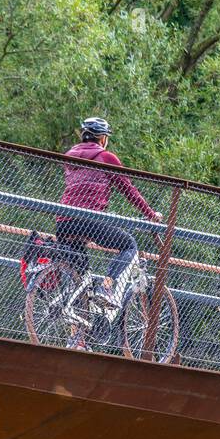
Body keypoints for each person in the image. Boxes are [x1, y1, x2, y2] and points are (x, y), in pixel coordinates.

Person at [55, 116, 162, 314]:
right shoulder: (106, 157)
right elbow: (129, 190)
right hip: (89, 221)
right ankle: (107, 288)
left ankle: (77, 336)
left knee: (82, 283)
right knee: (129, 245)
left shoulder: (69, 157)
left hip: (63, 222)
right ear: (103, 138)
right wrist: (150, 214)